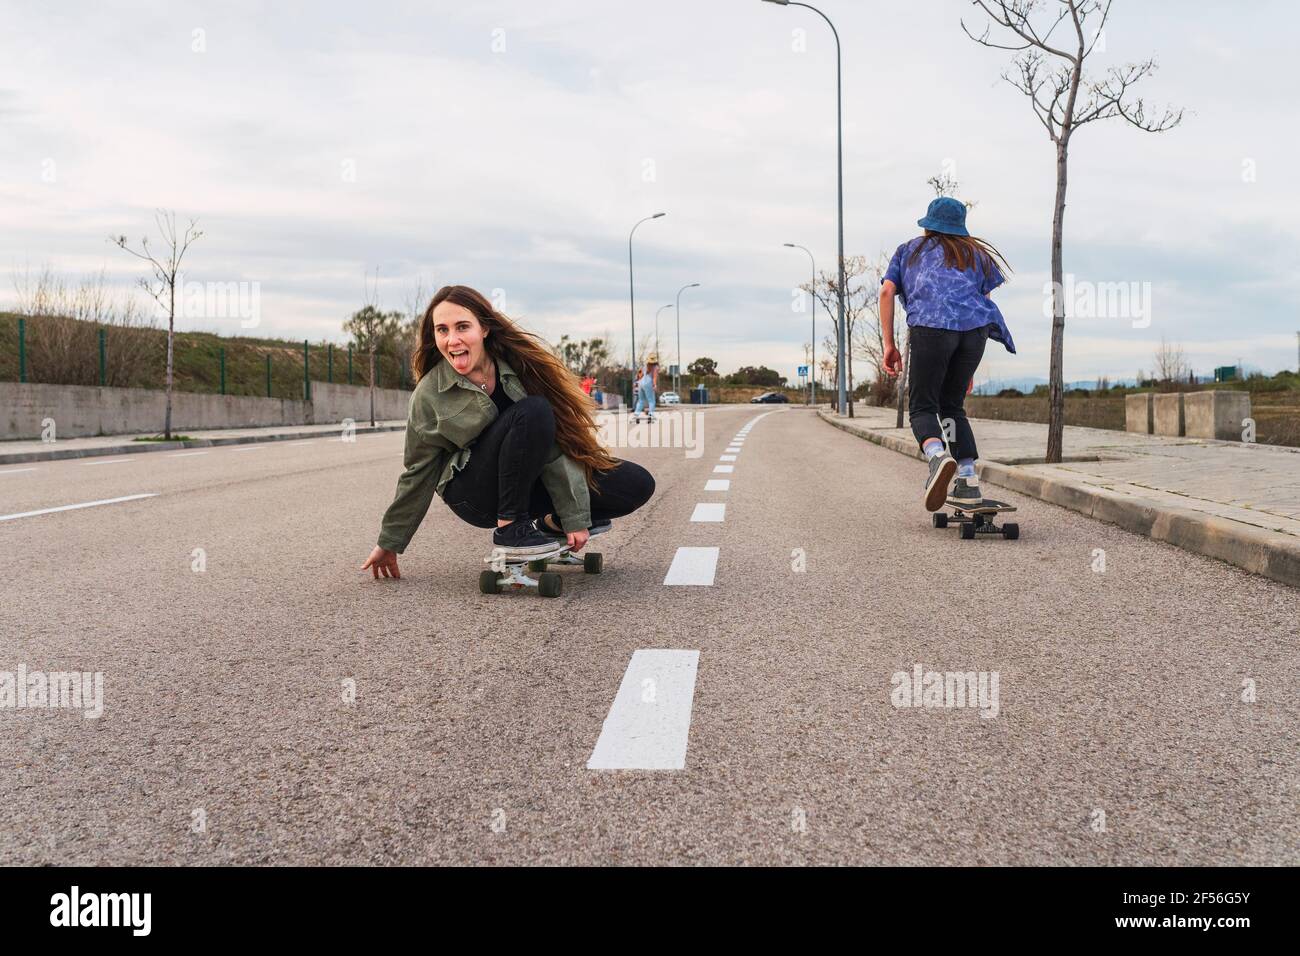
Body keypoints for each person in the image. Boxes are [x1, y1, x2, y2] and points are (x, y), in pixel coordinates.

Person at [361, 285, 655, 579]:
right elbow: (418, 469)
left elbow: (557, 445)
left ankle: (547, 524)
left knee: (636, 483)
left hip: (527, 482)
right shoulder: (429, 394)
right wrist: (390, 542)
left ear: (485, 328)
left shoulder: (520, 368)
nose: (452, 340)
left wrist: (572, 515)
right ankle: (511, 529)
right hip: (475, 495)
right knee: (533, 411)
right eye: (442, 330)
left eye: (462, 327)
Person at [880, 197, 1016, 512]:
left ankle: (937, 457)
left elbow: (887, 291)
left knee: (922, 407)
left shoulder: (909, 250)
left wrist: (889, 344)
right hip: (974, 334)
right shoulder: (977, 255)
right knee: (952, 407)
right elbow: (982, 300)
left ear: (928, 225)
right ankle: (967, 478)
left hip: (931, 329)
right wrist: (965, 371)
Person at [633, 353, 659, 420]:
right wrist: (655, 385)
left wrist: (635, 382)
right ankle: (650, 414)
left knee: (641, 400)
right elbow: (654, 377)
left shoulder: (644, 366)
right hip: (648, 383)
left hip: (641, 384)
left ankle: (636, 414)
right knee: (651, 400)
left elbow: (639, 375)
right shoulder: (655, 367)